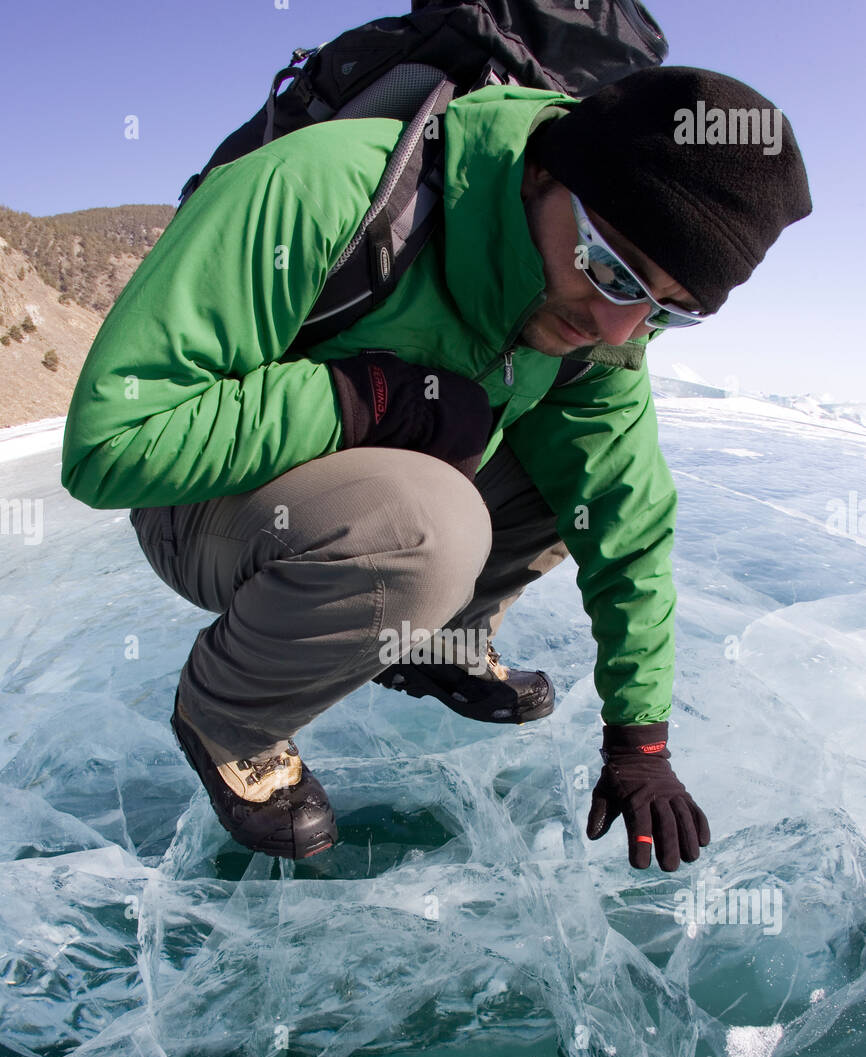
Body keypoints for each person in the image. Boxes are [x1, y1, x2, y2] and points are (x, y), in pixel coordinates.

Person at [61, 66, 811, 867]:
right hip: (203, 503)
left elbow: (625, 519)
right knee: (430, 530)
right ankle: (231, 715)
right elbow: (112, 446)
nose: (620, 327)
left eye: (669, 309)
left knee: (574, 488)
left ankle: (437, 638)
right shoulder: (320, 192)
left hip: (370, 498)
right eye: (610, 266)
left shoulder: (604, 333)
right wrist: (360, 398)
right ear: (546, 171)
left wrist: (641, 738)